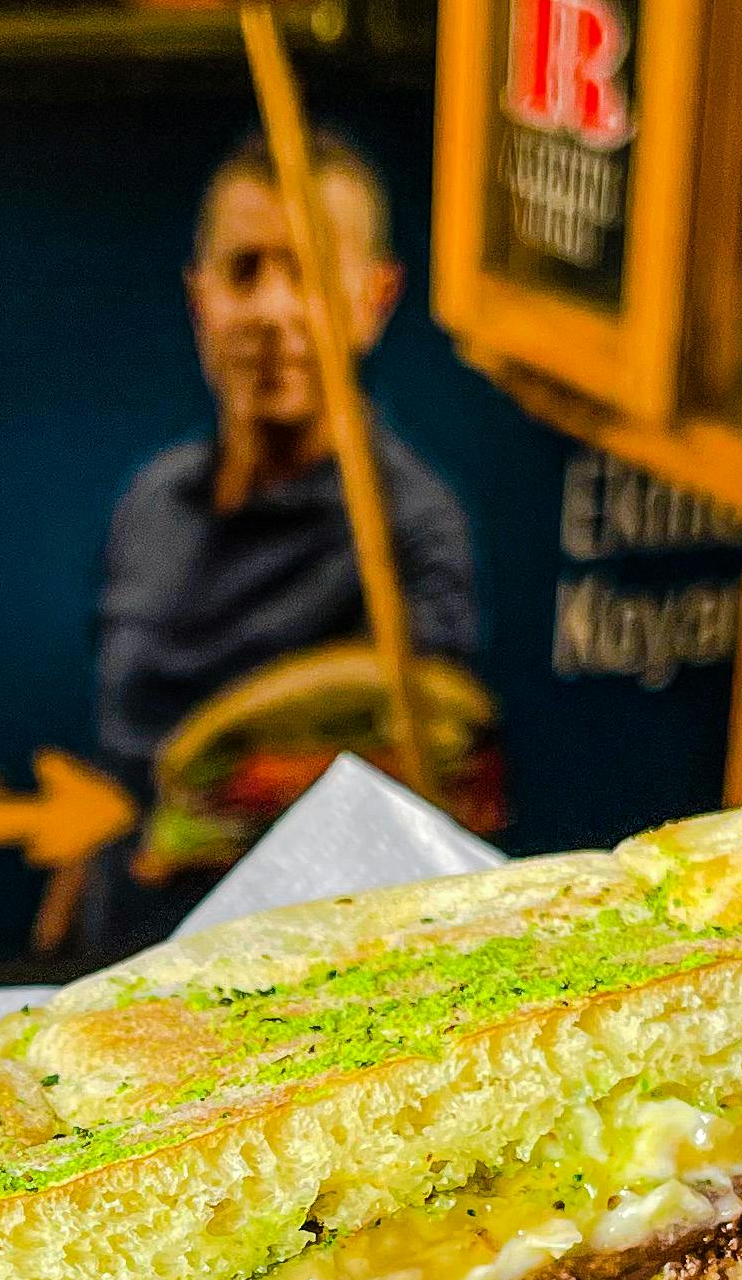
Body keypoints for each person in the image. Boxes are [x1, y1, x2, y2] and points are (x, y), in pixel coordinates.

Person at [84, 129, 481, 959]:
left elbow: (427, 794)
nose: (273, 311)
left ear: (376, 297)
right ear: (200, 299)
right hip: (113, 953)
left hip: (278, 980)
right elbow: (121, 770)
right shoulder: (150, 502)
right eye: (244, 271)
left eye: (309, 272)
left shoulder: (411, 532)